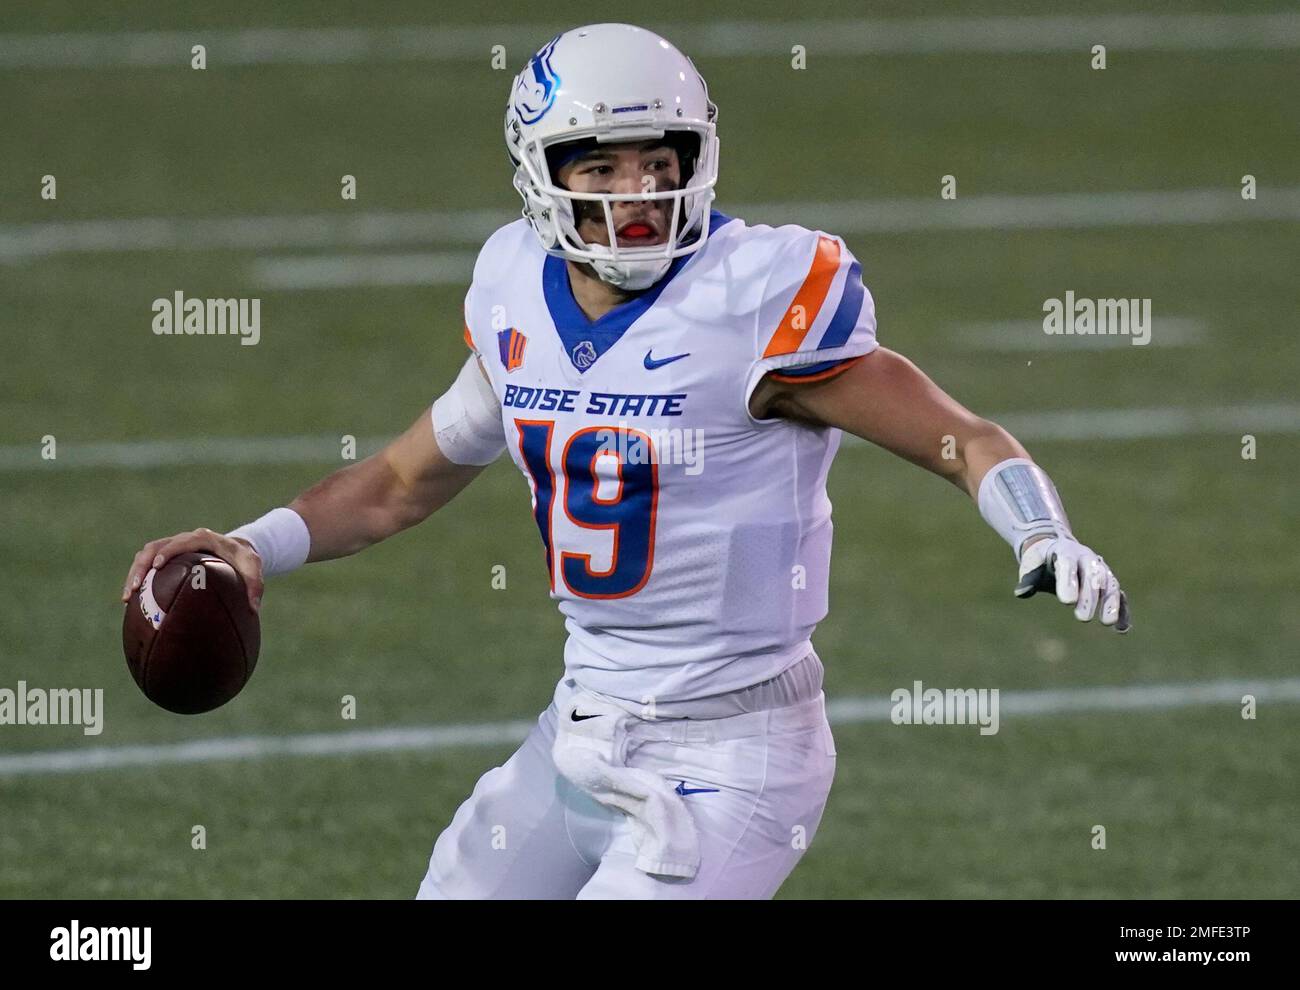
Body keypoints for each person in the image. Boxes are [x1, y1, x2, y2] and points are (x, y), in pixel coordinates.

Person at [121, 23, 1129, 899]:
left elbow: (963, 438)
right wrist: (250, 546)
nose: (636, 194)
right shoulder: (515, 288)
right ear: (540, 172)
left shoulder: (756, 296)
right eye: (598, 168)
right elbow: (396, 484)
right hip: (584, 728)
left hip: (737, 753)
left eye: (657, 160)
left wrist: (1038, 526)